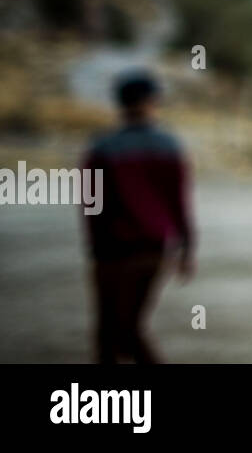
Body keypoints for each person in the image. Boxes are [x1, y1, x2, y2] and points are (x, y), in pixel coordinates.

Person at [82, 70, 195, 364]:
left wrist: (93, 249)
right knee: (125, 329)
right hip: (152, 249)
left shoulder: (102, 147)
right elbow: (180, 202)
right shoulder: (169, 146)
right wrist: (187, 248)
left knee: (112, 332)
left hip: (109, 250)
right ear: (152, 101)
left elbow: (90, 204)